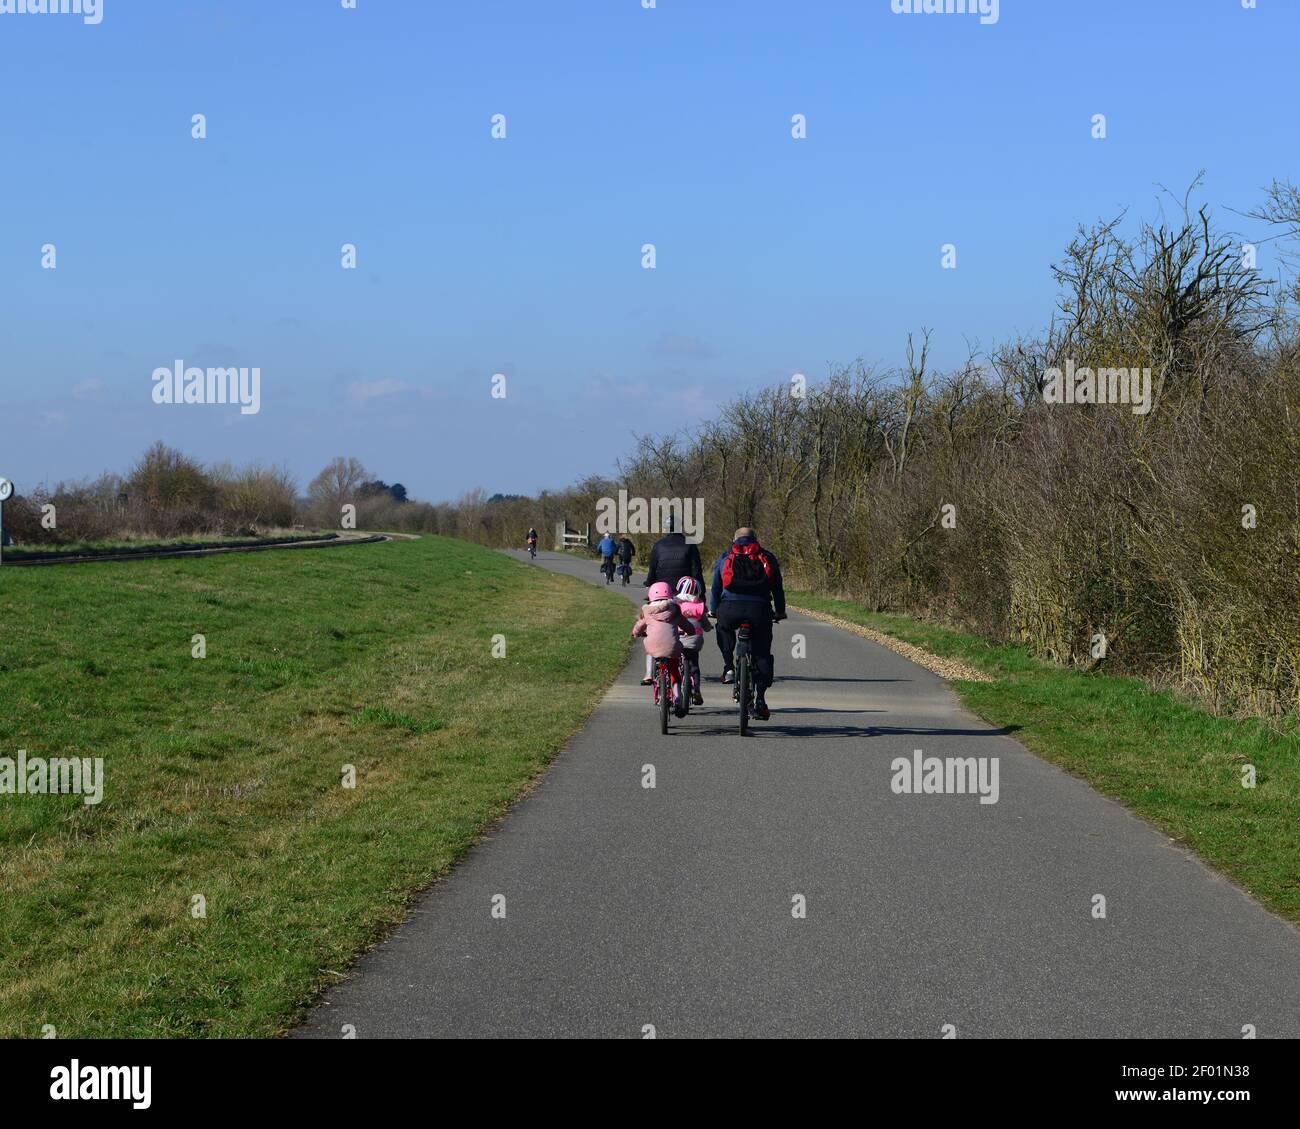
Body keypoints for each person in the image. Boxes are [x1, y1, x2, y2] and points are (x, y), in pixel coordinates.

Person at [708, 527, 786, 720]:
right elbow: (777, 586)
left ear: (734, 539)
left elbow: (717, 585)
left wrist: (713, 609)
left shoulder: (726, 556)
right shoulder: (766, 556)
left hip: (730, 608)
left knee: (723, 628)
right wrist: (780, 611)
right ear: (755, 539)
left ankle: (729, 668)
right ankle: (760, 698)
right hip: (759, 609)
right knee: (762, 652)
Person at [632, 581, 701, 700]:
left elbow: (639, 626)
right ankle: (678, 697)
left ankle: (651, 674)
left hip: (653, 646)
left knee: (652, 653)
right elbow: (686, 624)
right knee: (674, 669)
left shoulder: (647, 611)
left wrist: (635, 633)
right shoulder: (675, 610)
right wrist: (690, 631)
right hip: (671, 646)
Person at [674, 576, 712, 705]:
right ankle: (696, 689)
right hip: (695, 639)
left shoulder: (676, 604)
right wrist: (708, 628)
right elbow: (706, 625)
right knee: (694, 665)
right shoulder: (699, 606)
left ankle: (675, 689)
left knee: (675, 660)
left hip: (678, 637)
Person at [643, 514, 704, 593]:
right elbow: (696, 571)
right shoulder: (690, 544)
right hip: (684, 591)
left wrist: (648, 583)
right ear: (680, 527)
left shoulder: (658, 545)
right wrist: (701, 590)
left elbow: (652, 569)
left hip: (663, 592)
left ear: (666, 528)